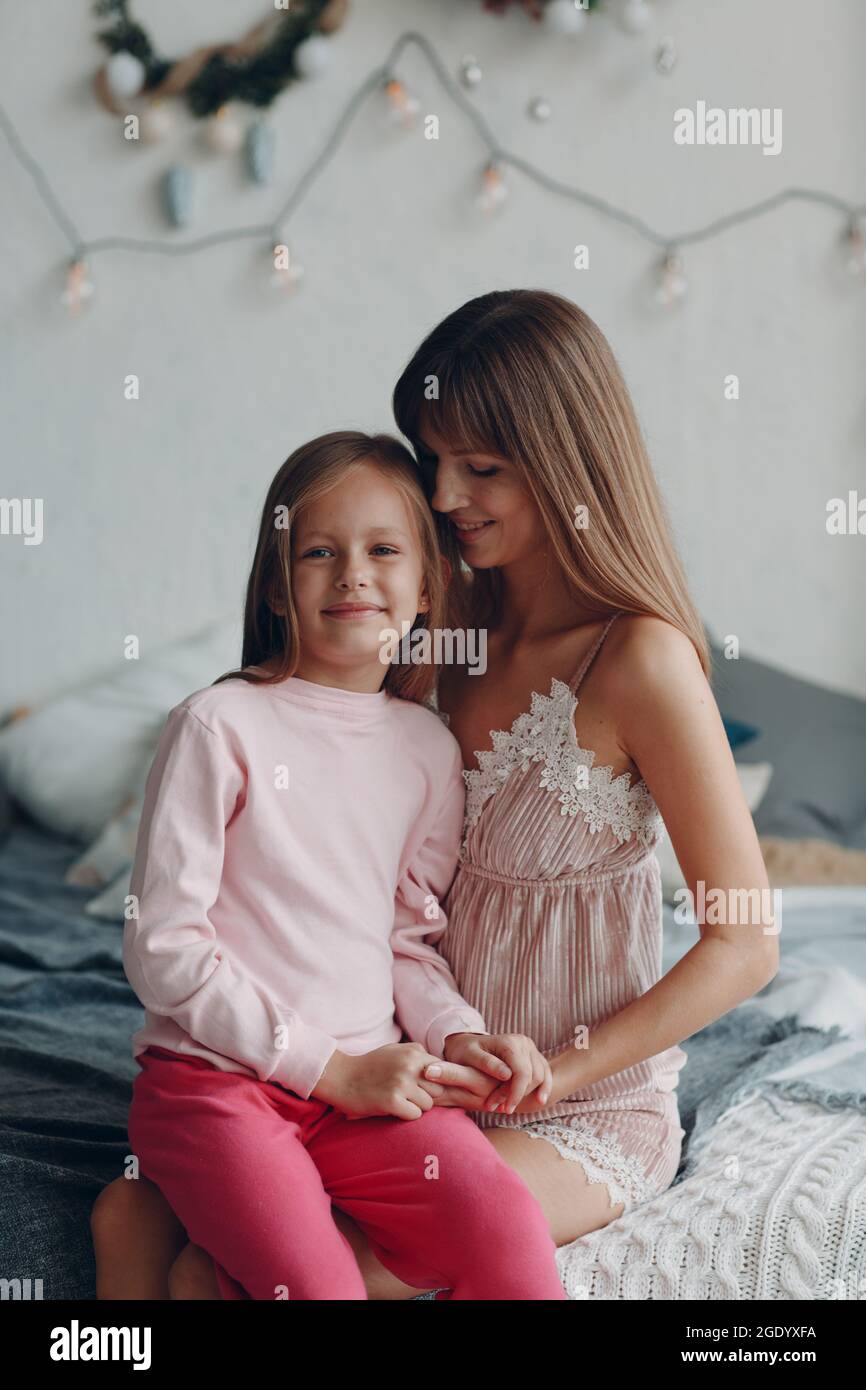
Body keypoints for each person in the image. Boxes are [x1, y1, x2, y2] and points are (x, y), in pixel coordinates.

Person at [90, 428, 565, 1302]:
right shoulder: (217, 726)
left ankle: (152, 1221)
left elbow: (407, 943)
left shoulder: (426, 747)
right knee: (320, 1285)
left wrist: (458, 1034)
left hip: (367, 1089)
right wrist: (331, 1070)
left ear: (428, 587)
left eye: (383, 550)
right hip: (220, 1088)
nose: (352, 573)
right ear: (278, 586)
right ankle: (154, 1209)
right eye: (319, 552)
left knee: (505, 1228)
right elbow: (163, 950)